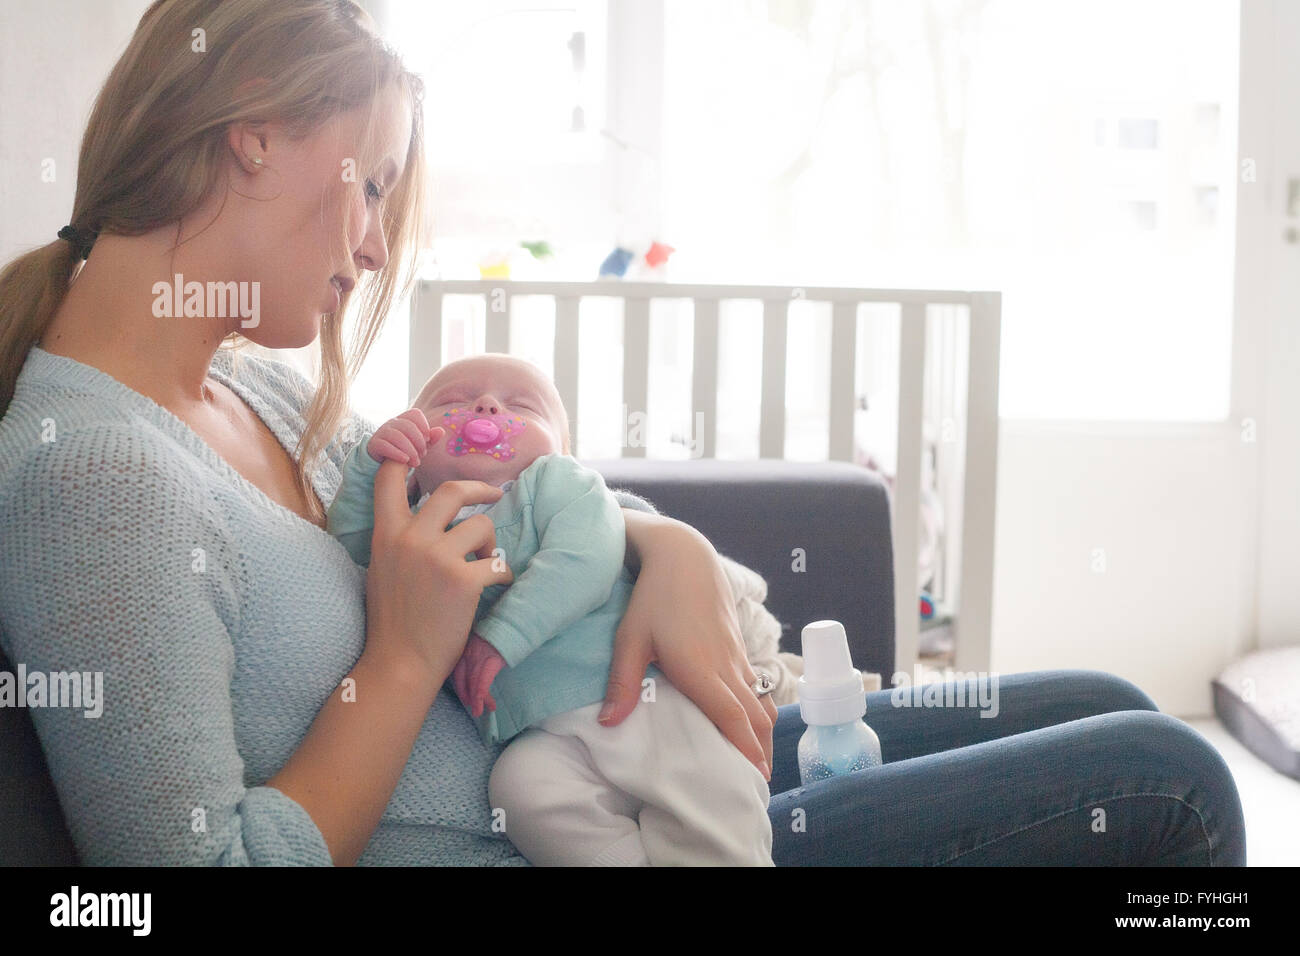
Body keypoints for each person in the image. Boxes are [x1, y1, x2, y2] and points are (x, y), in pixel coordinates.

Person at [0, 0, 1246, 867]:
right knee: (1162, 777)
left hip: (632, 751)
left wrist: (664, 550)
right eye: (369, 182)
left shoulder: (250, 389)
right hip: (600, 840)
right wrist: (394, 663)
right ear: (252, 136)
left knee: (1105, 697)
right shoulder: (95, 478)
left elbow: (516, 488)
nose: (374, 240)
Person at [325, 353, 774, 865]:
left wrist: (502, 635)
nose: (486, 406)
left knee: (709, 815)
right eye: (451, 401)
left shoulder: (555, 485)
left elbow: (585, 559)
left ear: (563, 451)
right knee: (522, 792)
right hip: (545, 734)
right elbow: (357, 555)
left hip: (643, 700)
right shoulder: (416, 523)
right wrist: (370, 469)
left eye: (521, 405)